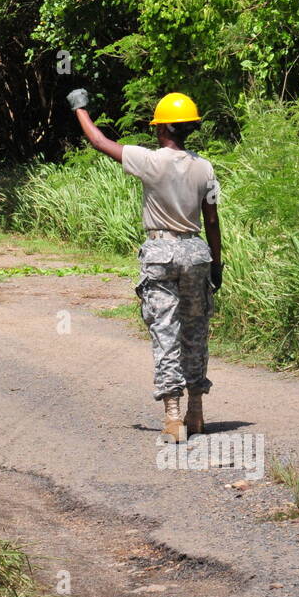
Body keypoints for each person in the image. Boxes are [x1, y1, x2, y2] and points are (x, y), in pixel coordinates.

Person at [67, 89, 222, 442]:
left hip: (160, 254)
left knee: (165, 333)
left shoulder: (151, 162)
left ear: (164, 128)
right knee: (195, 333)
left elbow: (98, 140)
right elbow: (212, 221)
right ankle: (196, 412)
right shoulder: (206, 167)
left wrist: (80, 108)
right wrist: (218, 264)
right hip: (197, 253)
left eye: (157, 126)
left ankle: (172, 418)